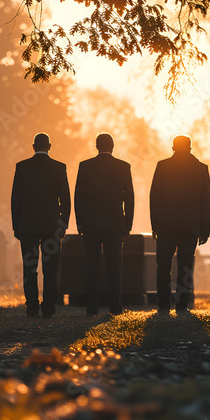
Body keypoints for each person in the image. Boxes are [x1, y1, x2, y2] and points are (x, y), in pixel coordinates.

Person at [149, 135, 210, 315]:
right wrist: (204, 230)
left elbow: (155, 198)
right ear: (190, 148)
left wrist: (155, 225)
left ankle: (163, 304)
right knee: (185, 267)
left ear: (173, 148)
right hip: (190, 226)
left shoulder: (162, 166)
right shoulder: (201, 169)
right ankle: (182, 305)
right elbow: (206, 202)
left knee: (163, 266)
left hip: (166, 226)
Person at [74, 133, 134, 316]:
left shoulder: (85, 166)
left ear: (96, 146)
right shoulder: (123, 167)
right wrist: (127, 225)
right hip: (115, 225)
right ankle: (115, 307)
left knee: (92, 267)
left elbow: (79, 197)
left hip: (91, 225)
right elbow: (129, 198)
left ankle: (92, 307)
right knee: (114, 267)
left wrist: (80, 223)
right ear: (113, 146)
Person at [11, 133, 71, 317]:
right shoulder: (59, 168)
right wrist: (63, 226)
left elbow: (16, 200)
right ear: (49, 146)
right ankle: (49, 308)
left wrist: (16, 226)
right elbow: (66, 201)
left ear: (33, 146)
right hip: (51, 227)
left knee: (30, 269)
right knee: (50, 270)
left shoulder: (22, 167)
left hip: (27, 227)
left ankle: (31, 306)